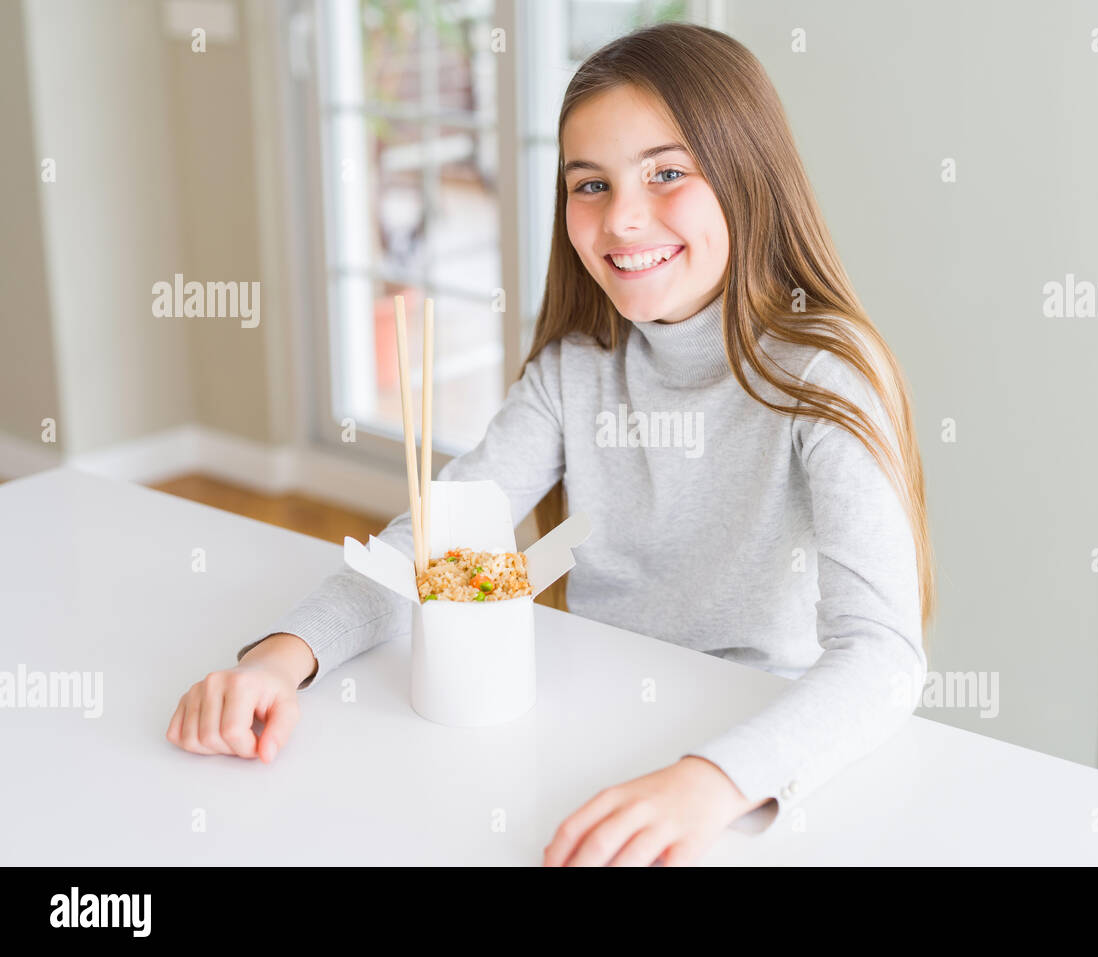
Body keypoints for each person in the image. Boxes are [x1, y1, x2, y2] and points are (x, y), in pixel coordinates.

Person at [166, 21, 935, 867]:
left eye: (667, 173)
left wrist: (706, 784)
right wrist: (281, 658)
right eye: (591, 184)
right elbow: (438, 545)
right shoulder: (577, 370)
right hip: (585, 730)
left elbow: (884, 657)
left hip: (754, 767)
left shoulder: (825, 372)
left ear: (749, 176)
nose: (623, 219)